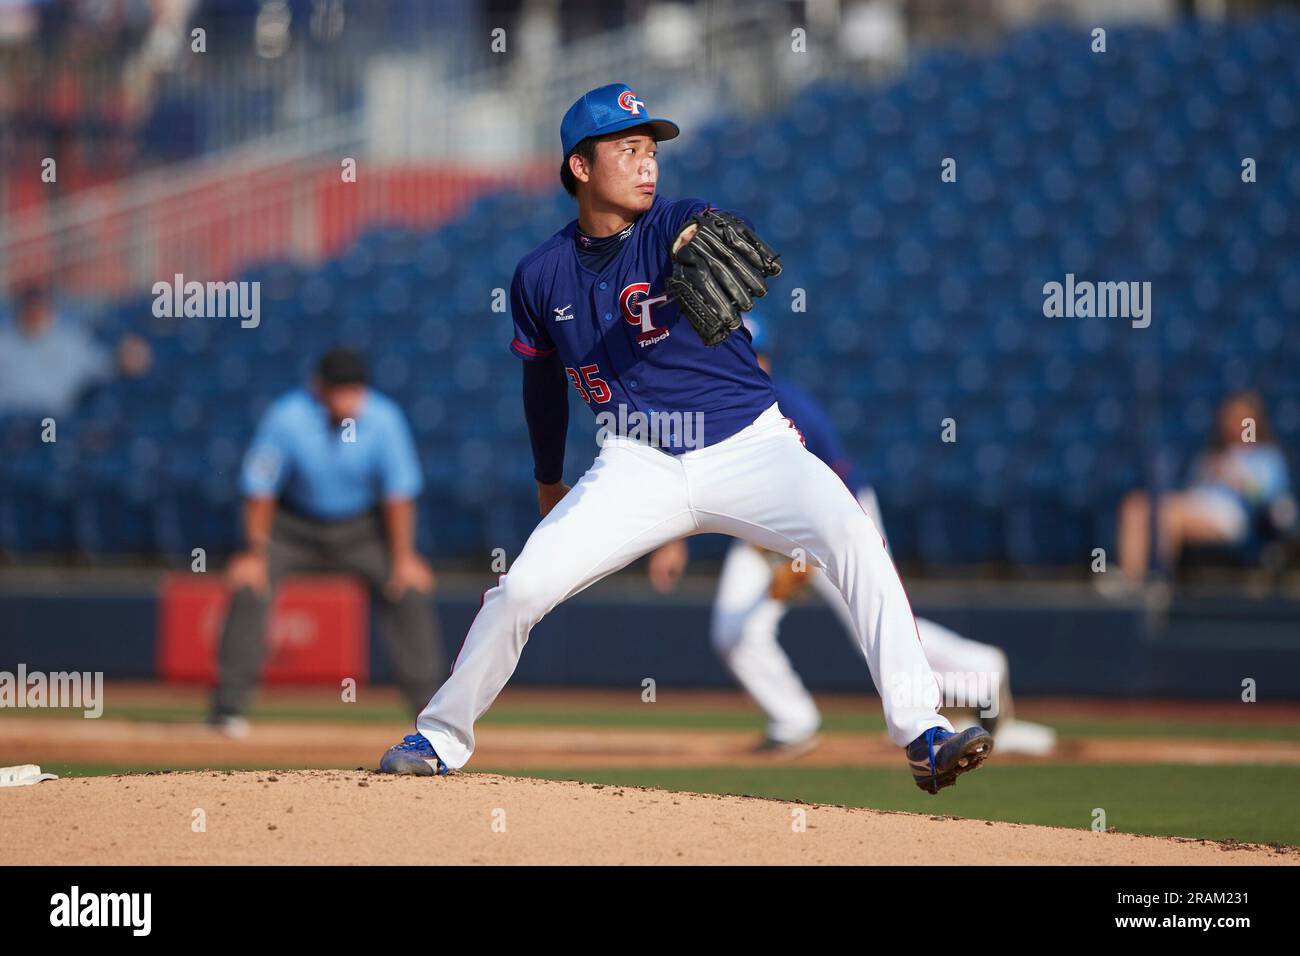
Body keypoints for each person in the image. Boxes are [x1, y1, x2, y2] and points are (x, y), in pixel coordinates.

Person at [379, 83, 994, 794]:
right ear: (580, 167)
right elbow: (541, 386)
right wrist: (549, 479)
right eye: (628, 149)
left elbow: (700, 228)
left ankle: (921, 731)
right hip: (637, 463)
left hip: (751, 447)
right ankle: (438, 737)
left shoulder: (674, 218)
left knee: (856, 540)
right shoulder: (538, 275)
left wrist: (694, 239)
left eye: (652, 150)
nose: (648, 164)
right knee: (521, 589)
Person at [646, 317, 1057, 757]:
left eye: (754, 352)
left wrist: (798, 565)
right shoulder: (706, 405)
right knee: (732, 631)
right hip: (759, 533)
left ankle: (979, 676)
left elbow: (833, 499)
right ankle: (793, 720)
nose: (750, 360)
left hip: (835, 518)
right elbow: (688, 470)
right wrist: (674, 540)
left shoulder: (791, 407)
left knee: (879, 630)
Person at [209, 348, 443, 736]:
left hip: (361, 529)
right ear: (319, 389)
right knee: (249, 583)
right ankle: (227, 708)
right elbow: (260, 488)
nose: (349, 400)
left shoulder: (384, 419)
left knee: (408, 588)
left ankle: (430, 713)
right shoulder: (288, 417)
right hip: (293, 526)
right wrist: (253, 552)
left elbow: (398, 494)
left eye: (355, 390)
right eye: (340, 391)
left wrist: (404, 557)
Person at [1114, 391, 1293, 585]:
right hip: (1196, 506)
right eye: (1231, 417)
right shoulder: (1210, 457)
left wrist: (1239, 480)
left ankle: (1158, 582)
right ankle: (1129, 580)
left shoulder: (1267, 458)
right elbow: (1193, 490)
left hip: (1231, 517)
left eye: (1243, 418)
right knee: (1136, 505)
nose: (1236, 423)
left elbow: (1271, 501)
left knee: (1169, 515)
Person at [0, 281, 152, 416]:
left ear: (50, 311)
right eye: (29, 309)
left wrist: (123, 359)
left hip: (55, 425)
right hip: (11, 426)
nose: (35, 315)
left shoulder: (69, 340)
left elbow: (100, 364)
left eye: (39, 308)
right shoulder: (4, 342)